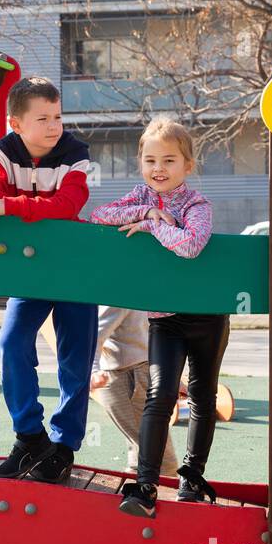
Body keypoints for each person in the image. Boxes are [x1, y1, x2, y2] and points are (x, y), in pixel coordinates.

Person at [90, 116, 228, 516]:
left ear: (188, 165)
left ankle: (191, 477)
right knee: (160, 395)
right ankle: (146, 485)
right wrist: (150, 215)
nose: (158, 169)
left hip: (207, 315)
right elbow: (100, 217)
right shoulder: (140, 198)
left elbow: (190, 246)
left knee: (202, 397)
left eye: (169, 160)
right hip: (164, 319)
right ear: (140, 164)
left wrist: (154, 229)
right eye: (150, 160)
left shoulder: (197, 204)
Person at [0, 76, 97, 484]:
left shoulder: (75, 153)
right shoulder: (3, 153)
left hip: (76, 266)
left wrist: (12, 205)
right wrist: (9, 205)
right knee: (12, 342)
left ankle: (63, 448)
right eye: (42, 118)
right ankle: (30, 436)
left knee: (75, 362)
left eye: (58, 116)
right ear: (16, 123)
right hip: (31, 271)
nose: (53, 126)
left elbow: (67, 205)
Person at [90, 306, 178, 477]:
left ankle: (134, 491)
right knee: (162, 458)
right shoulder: (121, 294)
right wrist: (92, 371)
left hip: (142, 370)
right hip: (128, 376)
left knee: (141, 452)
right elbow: (94, 334)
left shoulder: (141, 291)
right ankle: (163, 496)